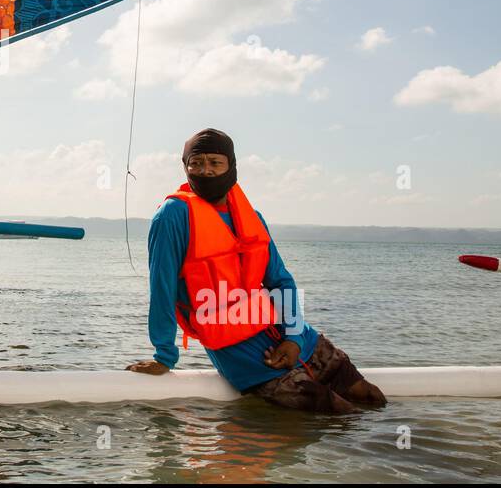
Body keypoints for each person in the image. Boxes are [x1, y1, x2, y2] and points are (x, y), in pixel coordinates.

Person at [127, 128, 386, 414]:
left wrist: (294, 339)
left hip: (290, 336)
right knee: (341, 415)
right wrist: (165, 356)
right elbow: (162, 287)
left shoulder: (252, 217)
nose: (206, 171)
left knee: (370, 396)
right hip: (246, 354)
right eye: (196, 163)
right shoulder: (172, 216)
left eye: (215, 163)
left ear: (231, 166)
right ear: (185, 167)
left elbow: (281, 281)